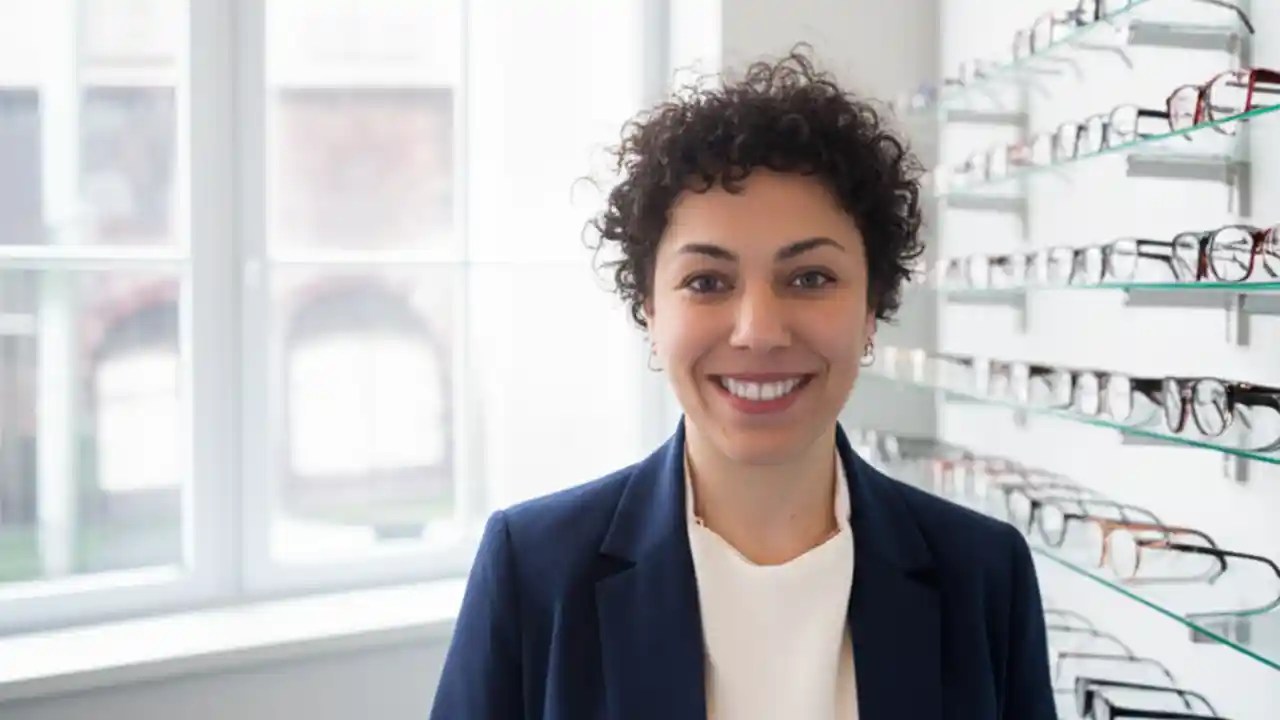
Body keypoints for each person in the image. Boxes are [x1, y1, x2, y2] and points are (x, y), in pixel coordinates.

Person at [430, 48, 1055, 720]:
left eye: (810, 278)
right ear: (650, 310)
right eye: (707, 282)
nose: (758, 330)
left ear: (872, 306)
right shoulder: (535, 569)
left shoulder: (985, 575)